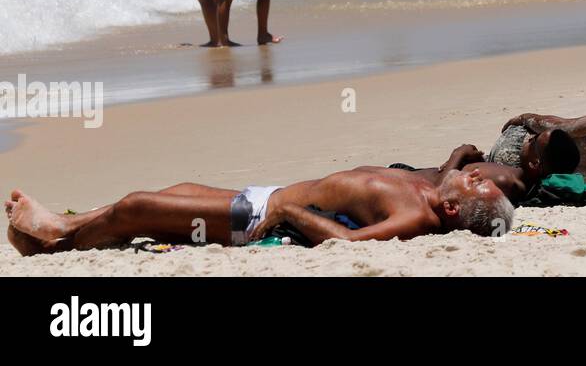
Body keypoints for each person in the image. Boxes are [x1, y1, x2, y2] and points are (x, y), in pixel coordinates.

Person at [4, 165, 512, 254]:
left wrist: (292, 215)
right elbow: (462, 171)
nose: (476, 178)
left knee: (140, 206)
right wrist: (458, 161)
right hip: (265, 194)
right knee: (175, 190)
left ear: (450, 212)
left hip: (259, 218)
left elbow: (345, 244)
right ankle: (62, 231)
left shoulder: (419, 217)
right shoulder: (426, 187)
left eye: (476, 188)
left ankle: (58, 235)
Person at [400, 134, 580, 206]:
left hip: (408, 184)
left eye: (534, 141)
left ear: (534, 163)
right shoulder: (516, 175)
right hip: (413, 175)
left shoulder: (504, 183)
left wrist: (459, 154)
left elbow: (440, 193)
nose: (530, 137)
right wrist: (475, 162)